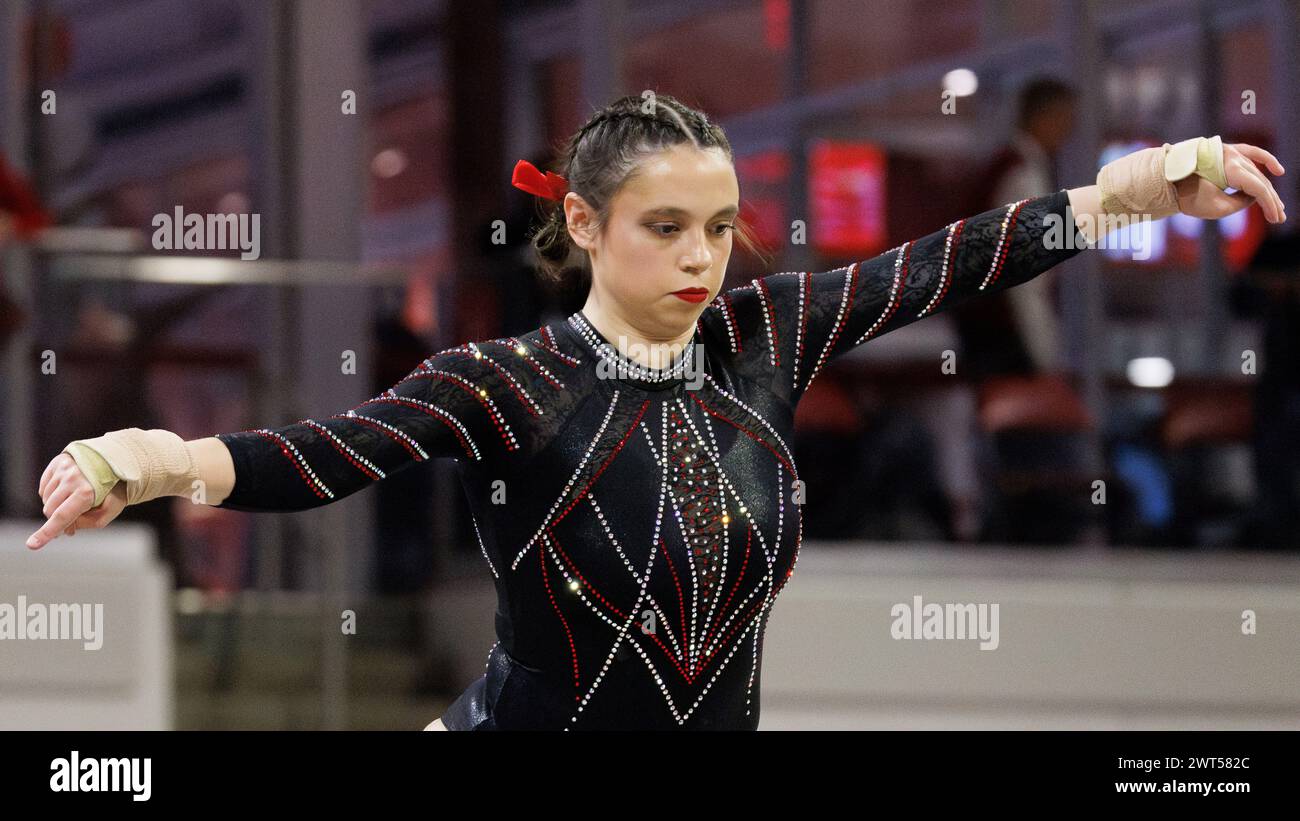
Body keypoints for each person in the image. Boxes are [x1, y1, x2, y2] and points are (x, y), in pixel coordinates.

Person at [26, 94, 1286, 730]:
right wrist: (144, 457)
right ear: (582, 225)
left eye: (722, 228)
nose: (703, 260)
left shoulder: (764, 334)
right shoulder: (507, 379)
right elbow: (326, 453)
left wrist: (1143, 188)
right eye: (666, 228)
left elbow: (954, 258)